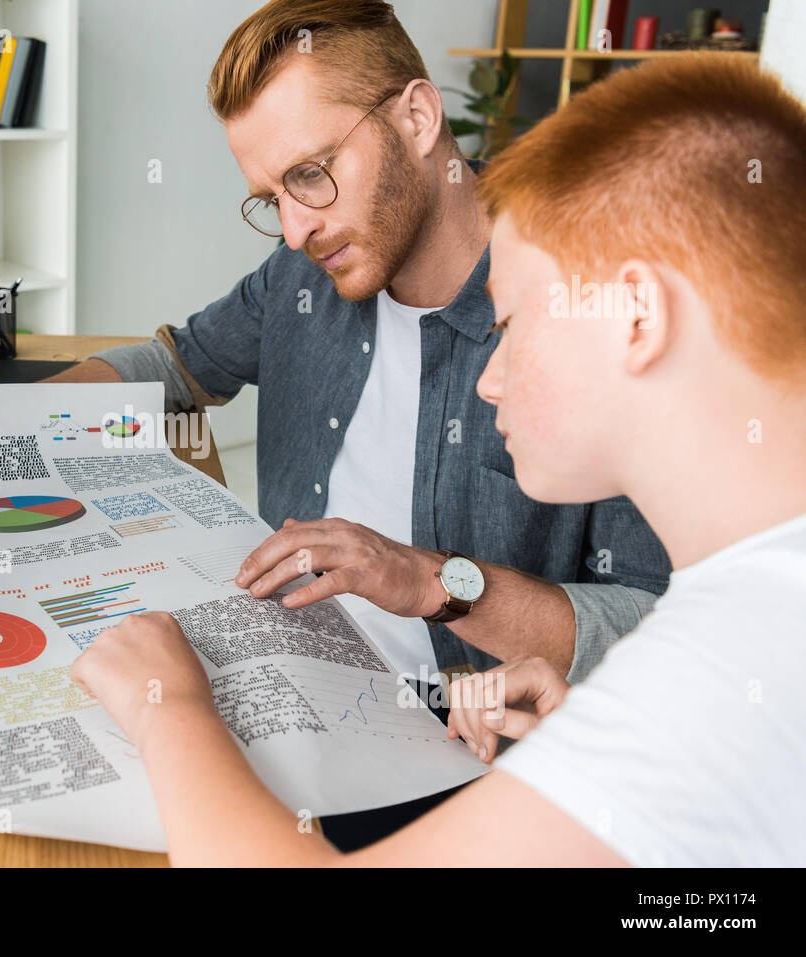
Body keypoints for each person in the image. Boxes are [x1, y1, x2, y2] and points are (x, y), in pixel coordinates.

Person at [0, 0, 669, 846]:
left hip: (461, 750)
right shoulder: (302, 274)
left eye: (312, 173)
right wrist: (5, 411)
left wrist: (434, 580)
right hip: (285, 691)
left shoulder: (575, 310)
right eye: (271, 195)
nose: (296, 225)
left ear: (418, 117)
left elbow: (651, 624)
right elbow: (174, 368)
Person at [67, 51, 806, 866]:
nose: (488, 378)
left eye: (512, 325)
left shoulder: (712, 671)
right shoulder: (742, 627)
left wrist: (165, 704)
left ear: (636, 315)